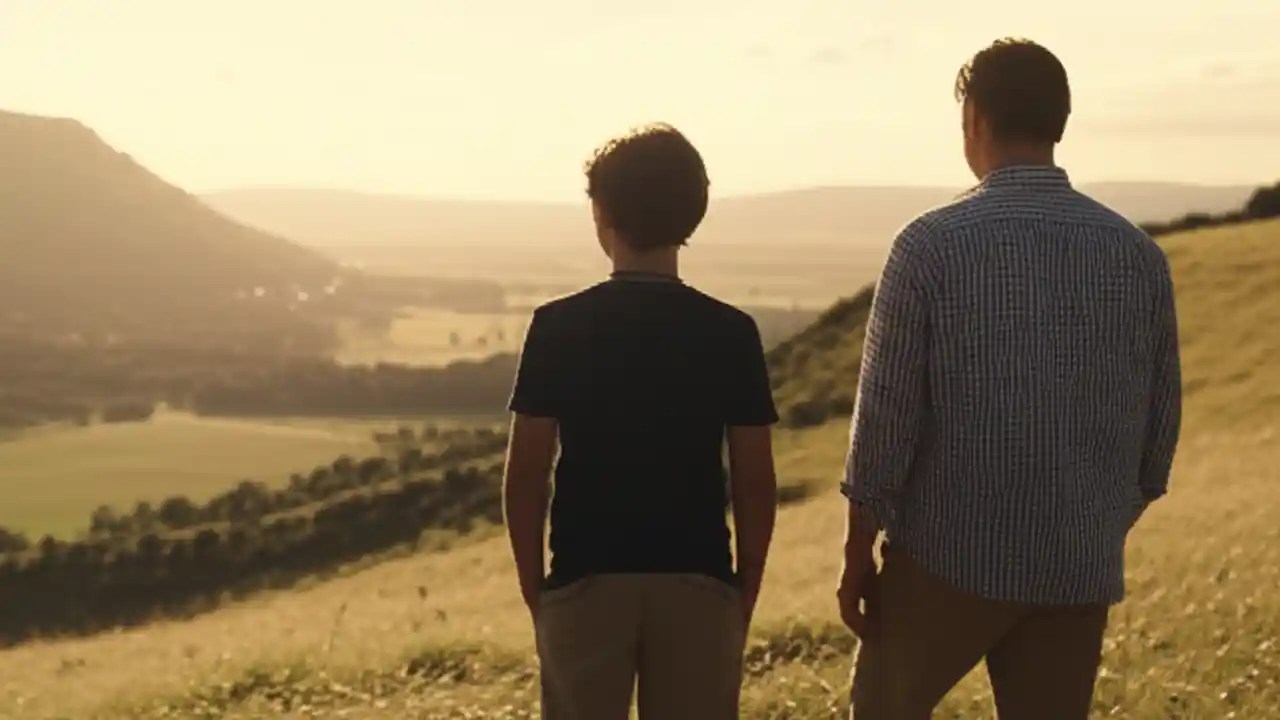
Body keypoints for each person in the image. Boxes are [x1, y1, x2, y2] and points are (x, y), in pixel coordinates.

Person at [836, 38, 1182, 719]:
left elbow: (884, 420)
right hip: (1077, 562)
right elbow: (1159, 430)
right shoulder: (1138, 255)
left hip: (946, 555)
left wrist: (857, 555)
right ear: (1060, 120)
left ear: (975, 122)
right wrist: (1093, 524)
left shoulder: (930, 244)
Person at [503, 123, 779, 720]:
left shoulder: (557, 326)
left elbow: (526, 474)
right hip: (699, 579)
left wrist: (536, 591)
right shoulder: (731, 332)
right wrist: (743, 590)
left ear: (601, 215)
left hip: (584, 578)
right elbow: (755, 481)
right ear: (692, 215)